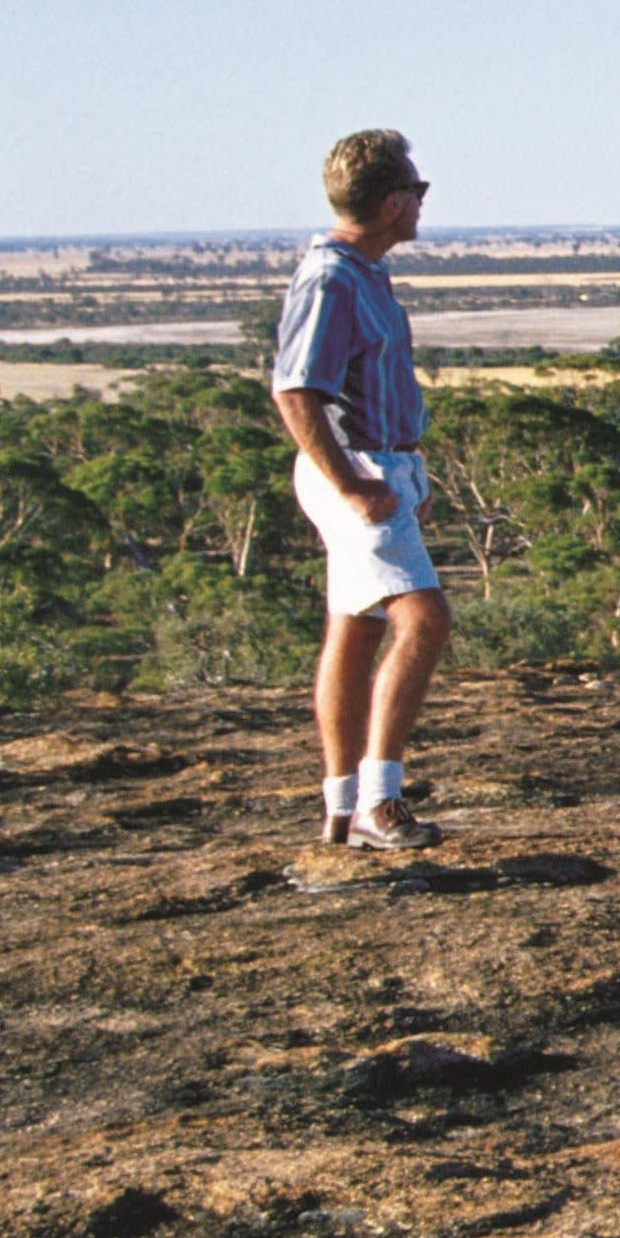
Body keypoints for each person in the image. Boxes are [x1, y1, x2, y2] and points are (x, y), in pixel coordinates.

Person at [268, 129, 450, 850]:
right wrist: (354, 486)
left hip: (382, 467)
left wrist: (409, 472)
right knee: (424, 620)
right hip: (356, 472)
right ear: (391, 202)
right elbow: (295, 392)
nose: (421, 204)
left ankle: (340, 810)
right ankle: (382, 802)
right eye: (417, 191)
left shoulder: (363, 271)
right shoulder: (332, 277)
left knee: (357, 628)